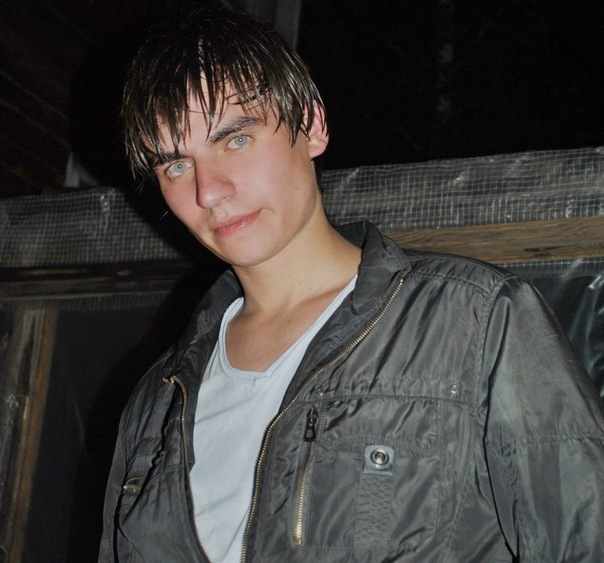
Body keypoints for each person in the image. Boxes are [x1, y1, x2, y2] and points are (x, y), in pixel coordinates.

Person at [99, 3, 604, 562]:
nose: (208, 190)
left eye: (235, 139)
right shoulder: (156, 399)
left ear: (311, 125)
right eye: (176, 164)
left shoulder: (475, 320)